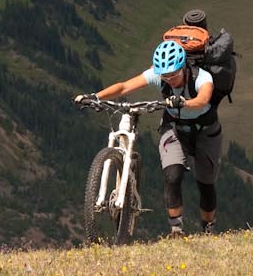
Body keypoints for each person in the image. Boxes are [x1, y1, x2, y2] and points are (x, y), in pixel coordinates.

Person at [76, 38, 223, 237]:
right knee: (172, 175)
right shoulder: (159, 74)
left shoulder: (202, 77)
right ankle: (176, 230)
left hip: (205, 129)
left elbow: (202, 99)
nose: (169, 80)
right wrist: (95, 97)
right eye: (165, 76)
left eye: (173, 75)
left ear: (184, 68)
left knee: (206, 182)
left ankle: (208, 228)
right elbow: (124, 87)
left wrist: (183, 103)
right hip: (174, 128)